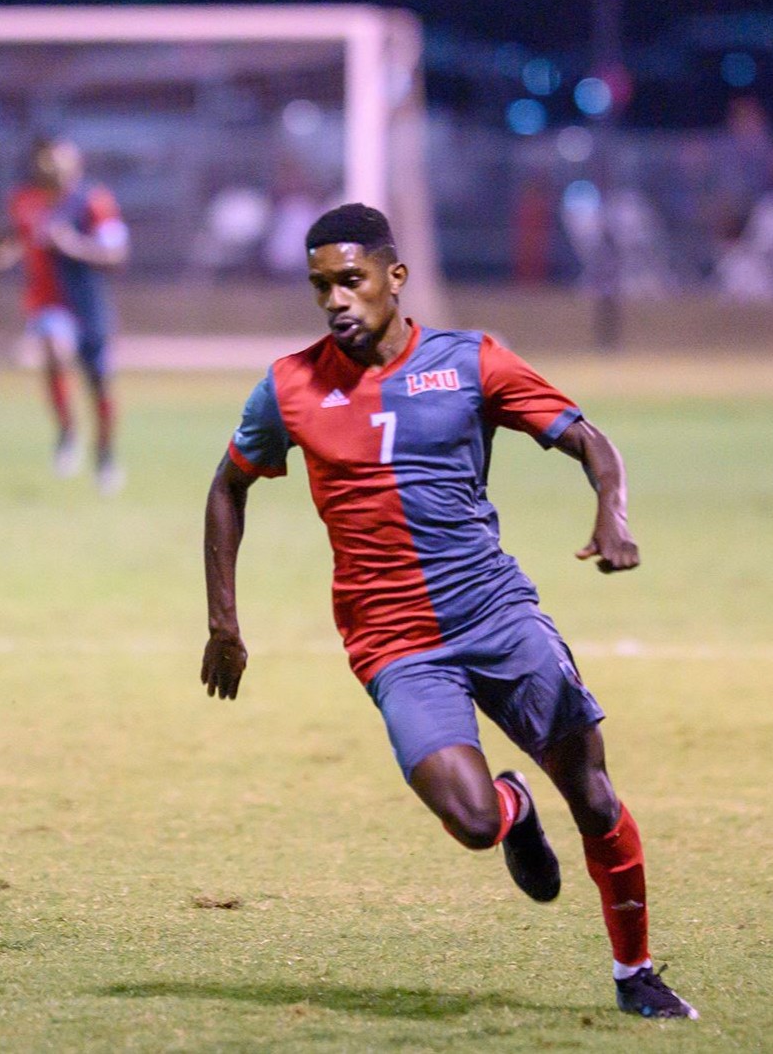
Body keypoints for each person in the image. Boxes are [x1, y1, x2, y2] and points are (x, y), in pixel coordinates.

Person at [201, 203, 697, 1020]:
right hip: (393, 642)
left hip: (494, 613)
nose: (335, 300)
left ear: (394, 277)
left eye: (351, 280)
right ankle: (513, 809)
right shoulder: (288, 385)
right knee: (470, 820)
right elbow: (227, 487)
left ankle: (634, 971)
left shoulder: (470, 361)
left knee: (592, 793)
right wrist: (224, 623)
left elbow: (588, 440)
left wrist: (611, 513)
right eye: (321, 286)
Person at [0, 138, 130, 494]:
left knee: (100, 384)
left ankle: (105, 455)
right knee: (53, 349)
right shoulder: (25, 200)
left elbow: (116, 254)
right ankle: (67, 431)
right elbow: (15, 236)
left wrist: (73, 246)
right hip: (49, 302)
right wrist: (0, 257)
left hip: (88, 306)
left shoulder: (93, 203)